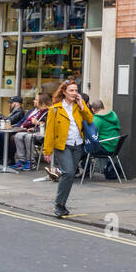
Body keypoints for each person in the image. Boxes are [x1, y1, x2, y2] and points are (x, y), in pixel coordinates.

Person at [43, 79, 96, 219]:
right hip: (62, 145)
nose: (74, 93)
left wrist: (82, 106)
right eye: (71, 90)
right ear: (64, 92)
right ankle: (58, 205)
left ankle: (62, 204)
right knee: (68, 172)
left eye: (76, 90)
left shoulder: (80, 105)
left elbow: (90, 120)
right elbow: (49, 131)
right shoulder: (55, 109)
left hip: (78, 145)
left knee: (70, 175)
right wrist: (47, 151)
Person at [12, 92, 52, 171]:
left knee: (28, 137)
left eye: (36, 100)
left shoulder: (48, 112)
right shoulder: (33, 110)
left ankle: (31, 161)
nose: (34, 101)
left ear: (42, 102)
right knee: (18, 135)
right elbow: (24, 121)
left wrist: (36, 123)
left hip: (40, 134)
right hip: (29, 131)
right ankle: (22, 160)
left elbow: (48, 126)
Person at [85, 99, 121, 179]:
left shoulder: (97, 119)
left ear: (93, 109)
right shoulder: (113, 115)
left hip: (105, 148)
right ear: (103, 107)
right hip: (115, 146)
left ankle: (84, 172)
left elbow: (91, 134)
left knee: (82, 148)